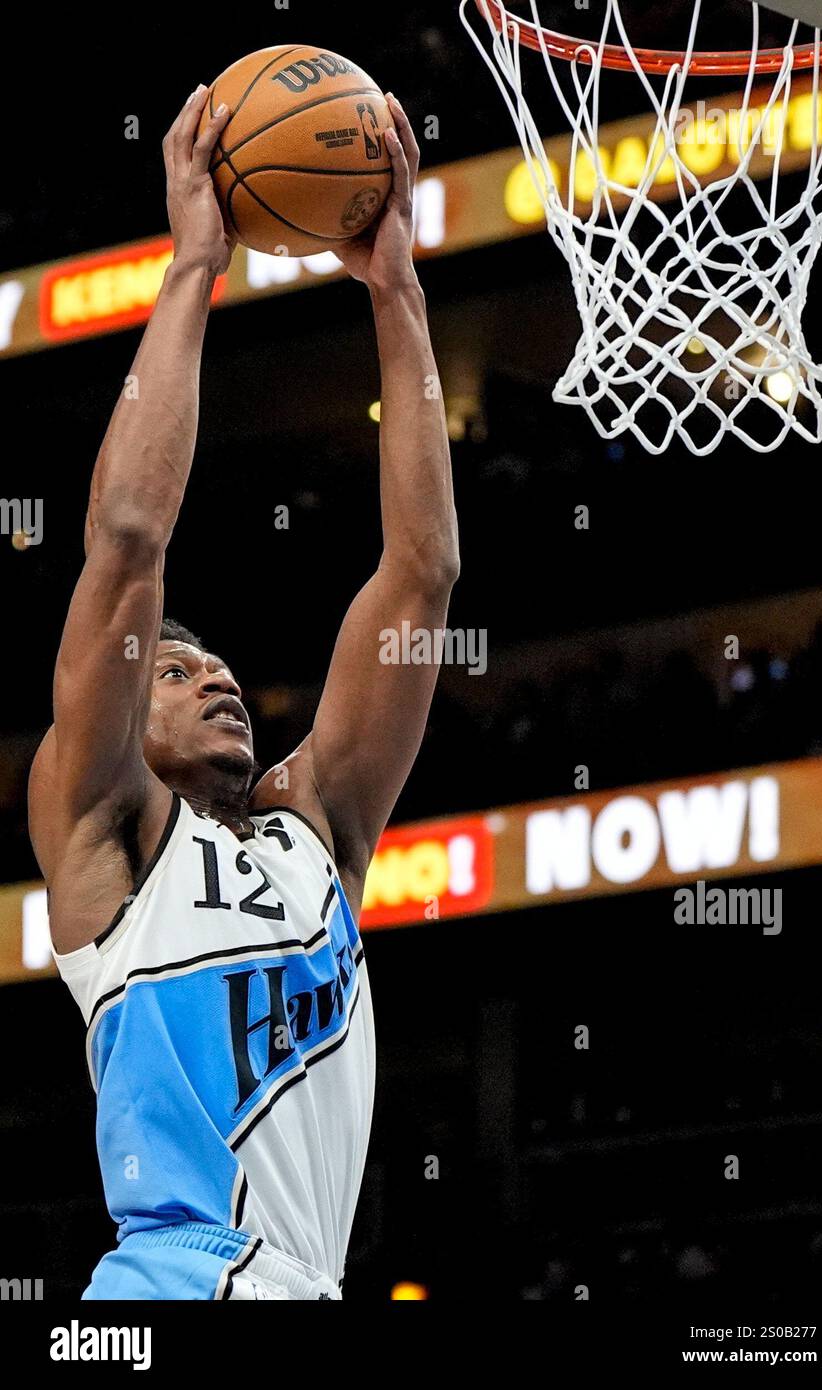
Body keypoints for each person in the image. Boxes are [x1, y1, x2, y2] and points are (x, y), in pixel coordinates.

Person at [27, 84, 459, 1300]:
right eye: (172, 668)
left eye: (214, 662)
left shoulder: (317, 827)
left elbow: (421, 580)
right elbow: (124, 537)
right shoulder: (99, 829)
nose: (211, 672)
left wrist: (397, 293)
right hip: (166, 1285)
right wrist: (192, 268)